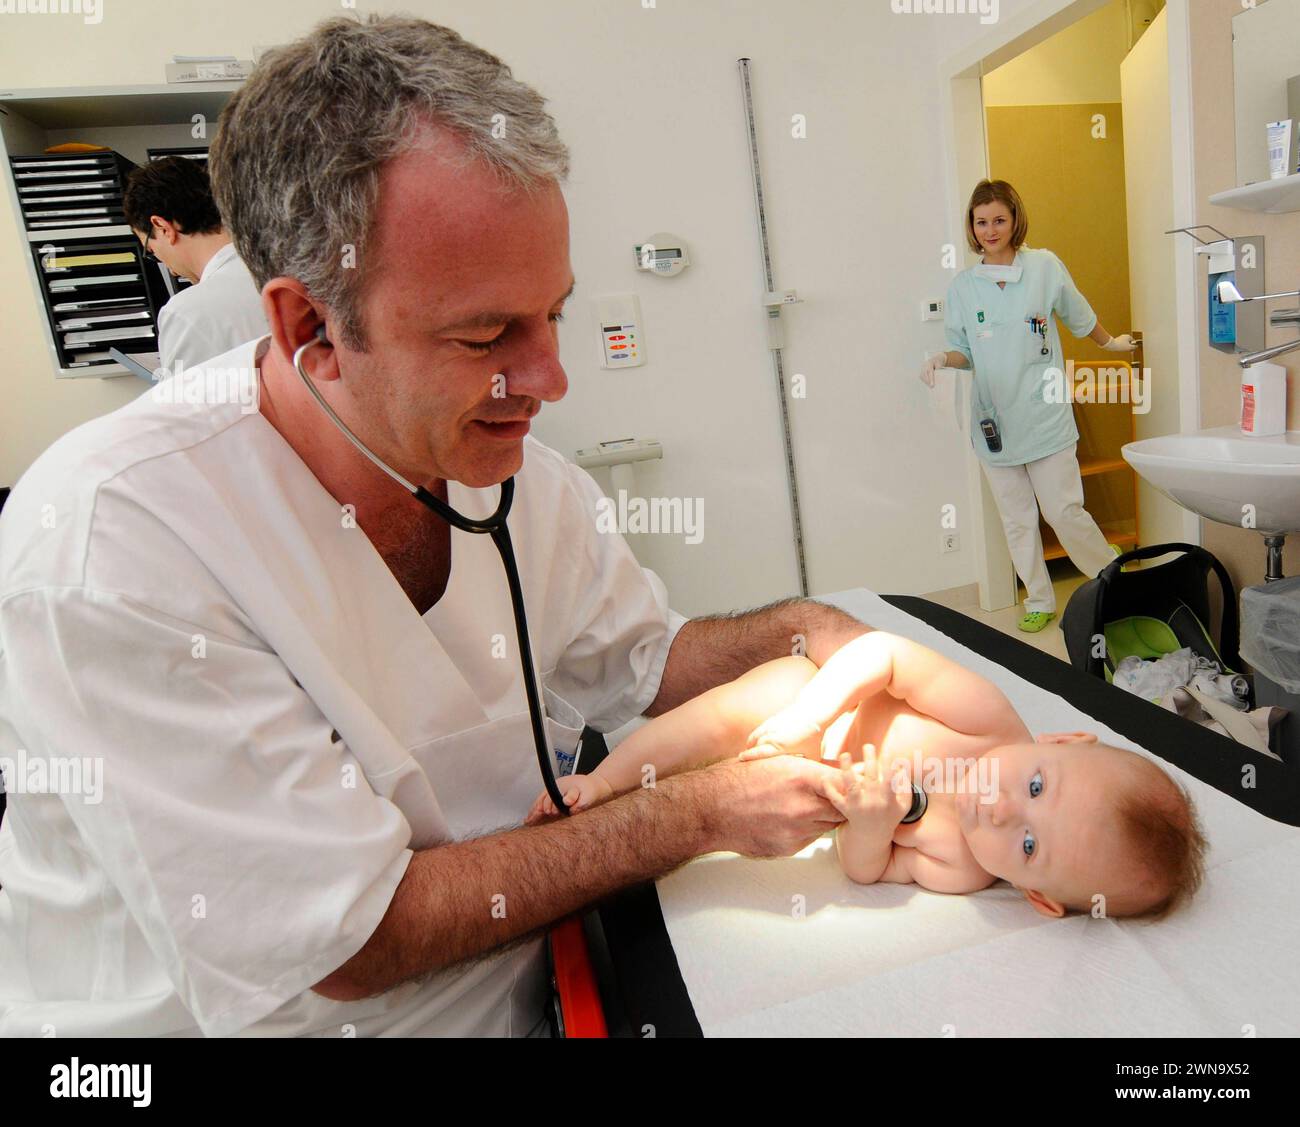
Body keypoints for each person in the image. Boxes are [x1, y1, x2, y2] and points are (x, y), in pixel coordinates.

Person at [0, 16, 870, 1038]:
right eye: (487, 332)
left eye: (553, 314)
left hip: (537, 983)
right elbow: (352, 941)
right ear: (310, 328)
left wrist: (798, 628)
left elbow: (643, 660)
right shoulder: (114, 545)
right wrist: (703, 809)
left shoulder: (508, 473)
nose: (549, 379)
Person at [535, 631, 1207, 921]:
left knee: (728, 799)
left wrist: (871, 825)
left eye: (1030, 846)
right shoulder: (989, 722)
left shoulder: (959, 868)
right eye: (1036, 786)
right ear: (1060, 738)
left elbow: (869, 869)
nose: (1003, 811)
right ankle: (611, 777)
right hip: (809, 713)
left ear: (1039, 897)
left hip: (802, 790)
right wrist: (810, 714)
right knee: (731, 712)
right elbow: (886, 656)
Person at [922, 180, 1137, 633]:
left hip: (1044, 415)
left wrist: (1111, 342)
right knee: (1017, 519)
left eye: (999, 219)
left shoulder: (1044, 267)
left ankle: (1109, 578)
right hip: (994, 421)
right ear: (972, 227)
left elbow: (1079, 315)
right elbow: (964, 352)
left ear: (1015, 219)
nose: (990, 230)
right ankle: (1039, 598)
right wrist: (942, 359)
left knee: (1063, 512)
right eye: (981, 222)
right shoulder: (963, 287)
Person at [122, 155, 268, 374]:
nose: (170, 269)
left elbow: (182, 407)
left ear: (162, 227)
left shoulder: (186, 312)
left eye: (151, 252)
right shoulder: (294, 270)